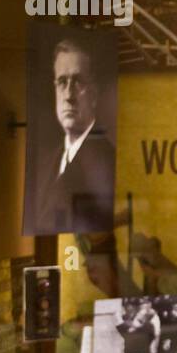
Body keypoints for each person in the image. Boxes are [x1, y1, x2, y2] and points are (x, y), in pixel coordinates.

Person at [30, 37, 115, 234]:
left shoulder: (108, 162)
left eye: (77, 82)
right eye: (61, 82)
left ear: (94, 94)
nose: (68, 95)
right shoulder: (46, 164)